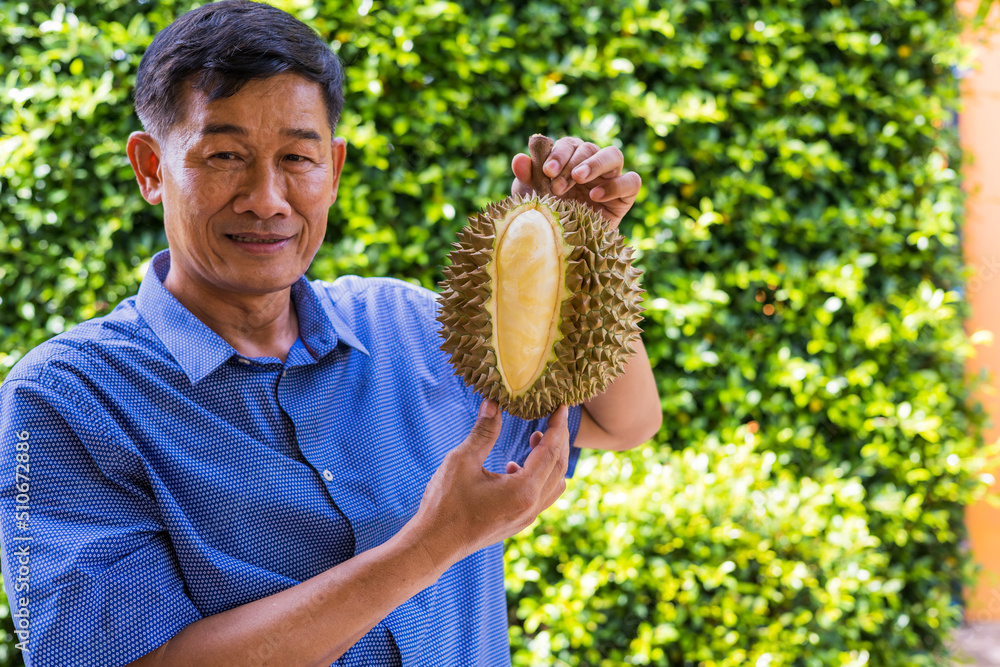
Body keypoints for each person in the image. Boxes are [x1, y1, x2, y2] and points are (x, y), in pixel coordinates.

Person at [0, 1, 661, 665]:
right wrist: (432, 544)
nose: (267, 197)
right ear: (150, 167)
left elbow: (620, 420)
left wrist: (576, 253)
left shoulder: (414, 328)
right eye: (225, 154)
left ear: (334, 169)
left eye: (298, 156)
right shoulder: (63, 400)